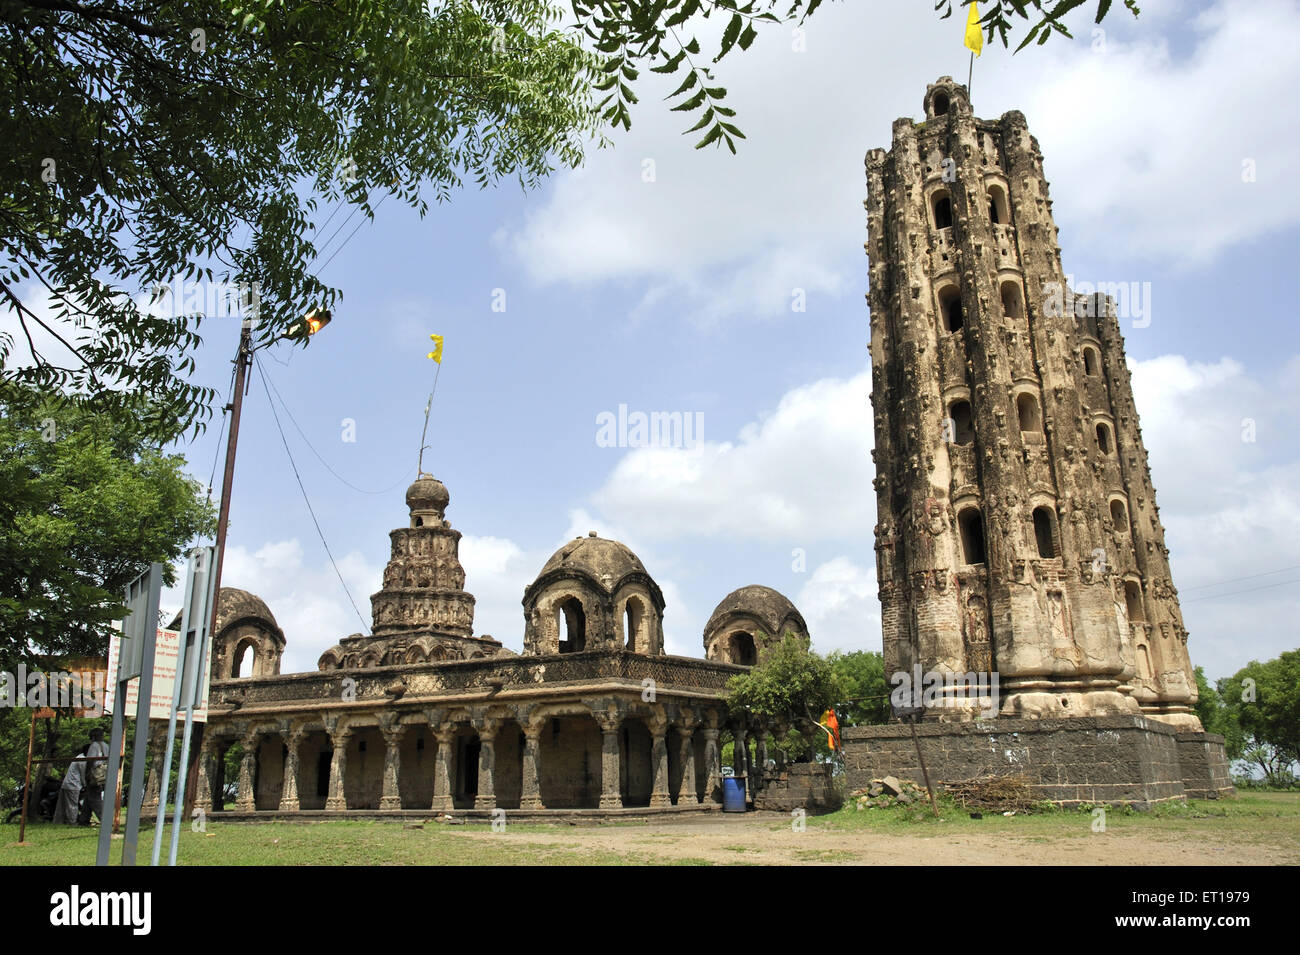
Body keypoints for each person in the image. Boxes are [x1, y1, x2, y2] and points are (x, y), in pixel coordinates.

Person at [80, 729, 109, 826]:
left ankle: (104, 819)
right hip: (104, 773)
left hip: (95, 773)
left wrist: (87, 774)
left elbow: (90, 761)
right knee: (89, 796)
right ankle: (84, 819)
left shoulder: (94, 746)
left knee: (95, 797)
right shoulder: (106, 746)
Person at [54, 748, 85, 824]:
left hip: (67, 783)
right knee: (72, 805)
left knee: (61, 806)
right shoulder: (82, 759)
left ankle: (58, 821)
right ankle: (72, 821)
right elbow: (83, 775)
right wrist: (85, 785)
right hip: (73, 784)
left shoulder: (79, 757)